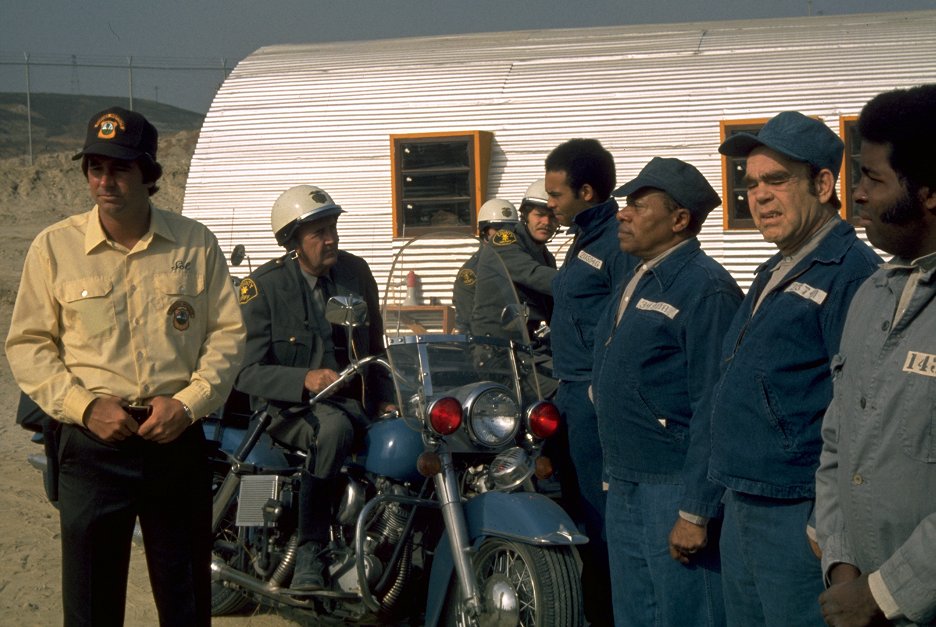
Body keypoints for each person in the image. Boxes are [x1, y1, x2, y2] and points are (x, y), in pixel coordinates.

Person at [4, 106, 246, 627]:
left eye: (119, 168)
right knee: (91, 605)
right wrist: (85, 407)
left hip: (173, 443)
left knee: (185, 602)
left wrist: (188, 404)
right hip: (92, 449)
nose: (105, 181)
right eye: (95, 168)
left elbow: (227, 336)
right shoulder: (54, 248)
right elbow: (28, 344)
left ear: (148, 173)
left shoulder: (195, 244)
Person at [675, 111, 881, 626]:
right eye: (750, 184)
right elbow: (725, 388)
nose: (758, 196)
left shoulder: (851, 274)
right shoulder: (775, 267)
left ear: (824, 183)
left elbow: (861, 409)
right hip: (743, 501)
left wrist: (823, 527)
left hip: (796, 515)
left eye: (777, 180)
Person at [593, 157, 741, 626]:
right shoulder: (637, 275)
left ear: (680, 220)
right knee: (635, 613)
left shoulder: (705, 289)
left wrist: (695, 510)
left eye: (638, 205)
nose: (623, 214)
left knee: (684, 613)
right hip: (626, 479)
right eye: (625, 204)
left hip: (672, 486)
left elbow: (714, 406)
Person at [815, 84, 936, 627]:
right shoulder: (874, 293)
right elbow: (839, 440)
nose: (855, 194)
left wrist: (887, 593)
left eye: (873, 178)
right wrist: (842, 563)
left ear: (929, 193)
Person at [234, 184, 394, 590]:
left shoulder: (355, 273)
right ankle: (310, 549)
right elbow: (244, 371)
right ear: (293, 241)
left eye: (333, 228)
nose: (331, 239)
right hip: (286, 410)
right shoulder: (264, 287)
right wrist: (302, 379)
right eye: (318, 233)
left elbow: (376, 348)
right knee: (334, 430)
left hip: (353, 404)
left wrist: (389, 400)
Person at [545, 138, 639, 627]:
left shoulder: (615, 242)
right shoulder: (581, 238)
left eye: (557, 195)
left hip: (591, 396)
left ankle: (609, 614)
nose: (551, 205)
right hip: (568, 392)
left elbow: (621, 323)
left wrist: (595, 392)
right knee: (578, 511)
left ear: (586, 191)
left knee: (603, 520)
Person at [469, 180, 559, 340]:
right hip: (497, 347)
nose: (546, 222)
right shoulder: (504, 241)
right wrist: (583, 282)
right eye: (539, 215)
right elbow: (532, 274)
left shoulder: (545, 255)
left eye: (553, 217)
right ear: (525, 215)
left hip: (528, 344)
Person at [452, 198, 520, 332]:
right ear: (484, 231)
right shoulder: (471, 271)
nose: (505, 235)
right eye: (499, 229)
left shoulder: (519, 261)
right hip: (487, 341)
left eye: (510, 229)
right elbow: (466, 318)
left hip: (519, 336)